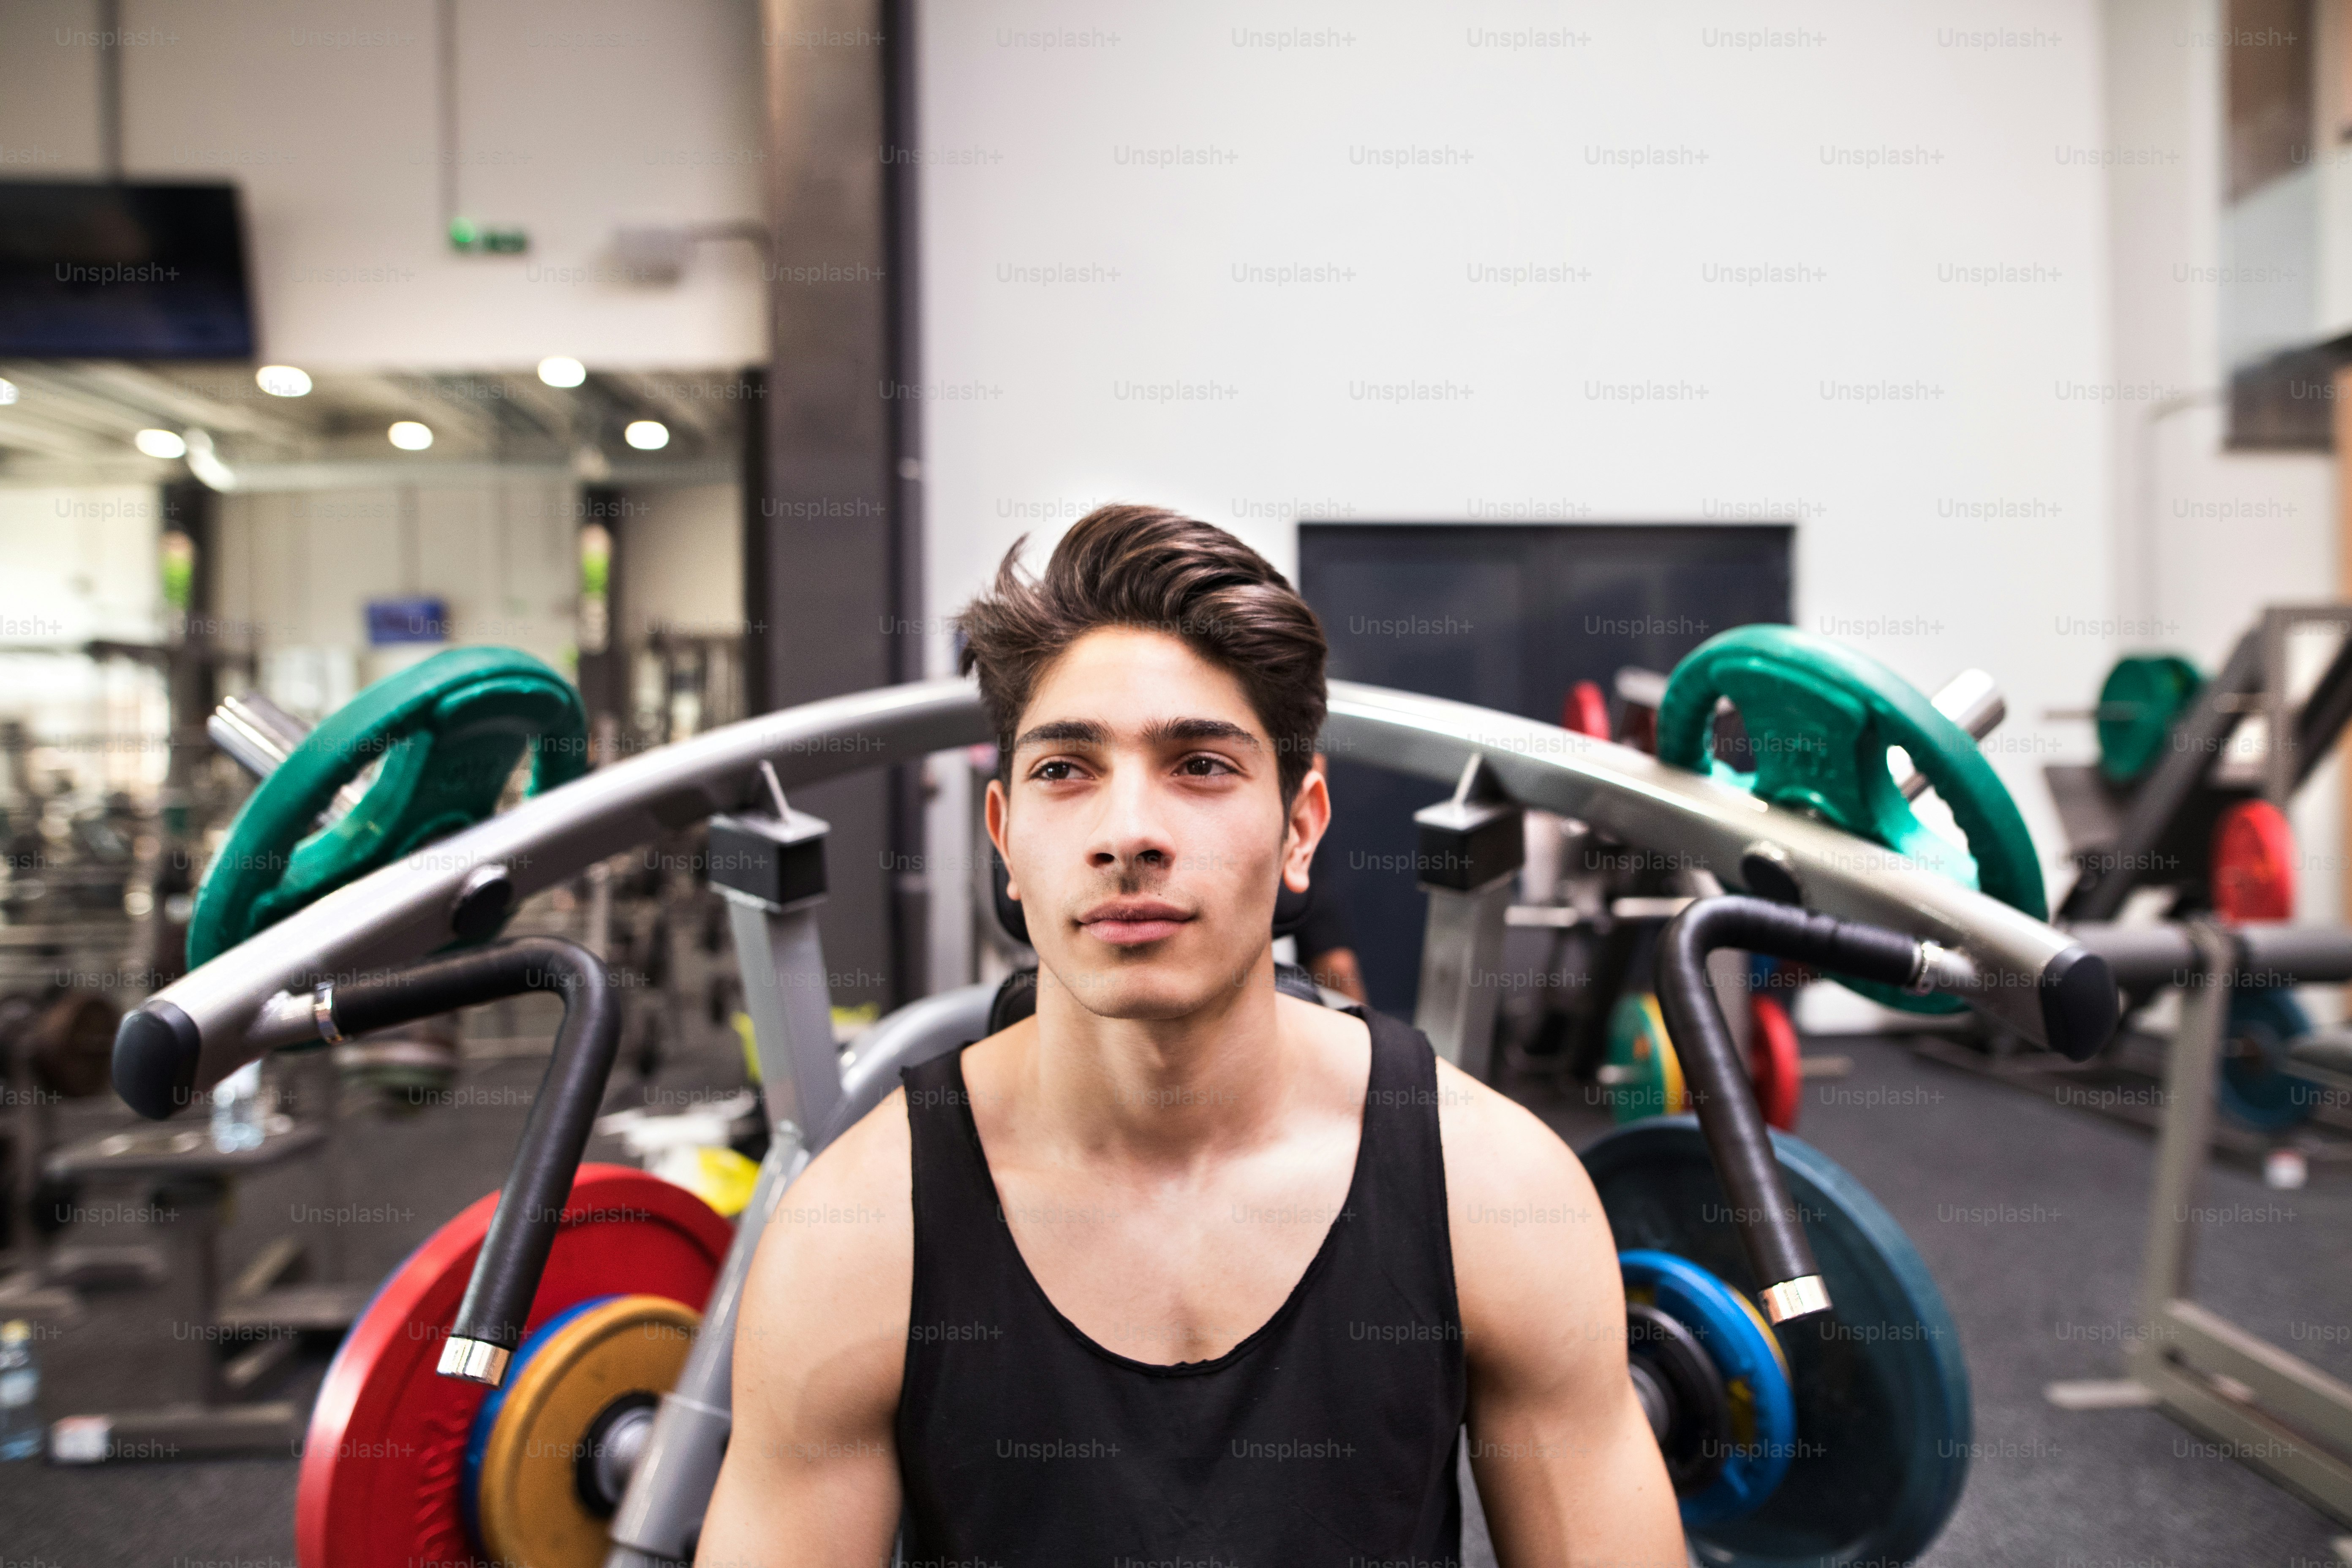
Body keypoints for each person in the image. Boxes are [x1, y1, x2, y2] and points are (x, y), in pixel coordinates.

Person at [698, 505, 1684, 1568]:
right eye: (1065, 770)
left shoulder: (1496, 1192)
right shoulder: (856, 1232)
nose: (1129, 832)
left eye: (1202, 765)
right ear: (1006, 840)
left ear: (1301, 827)